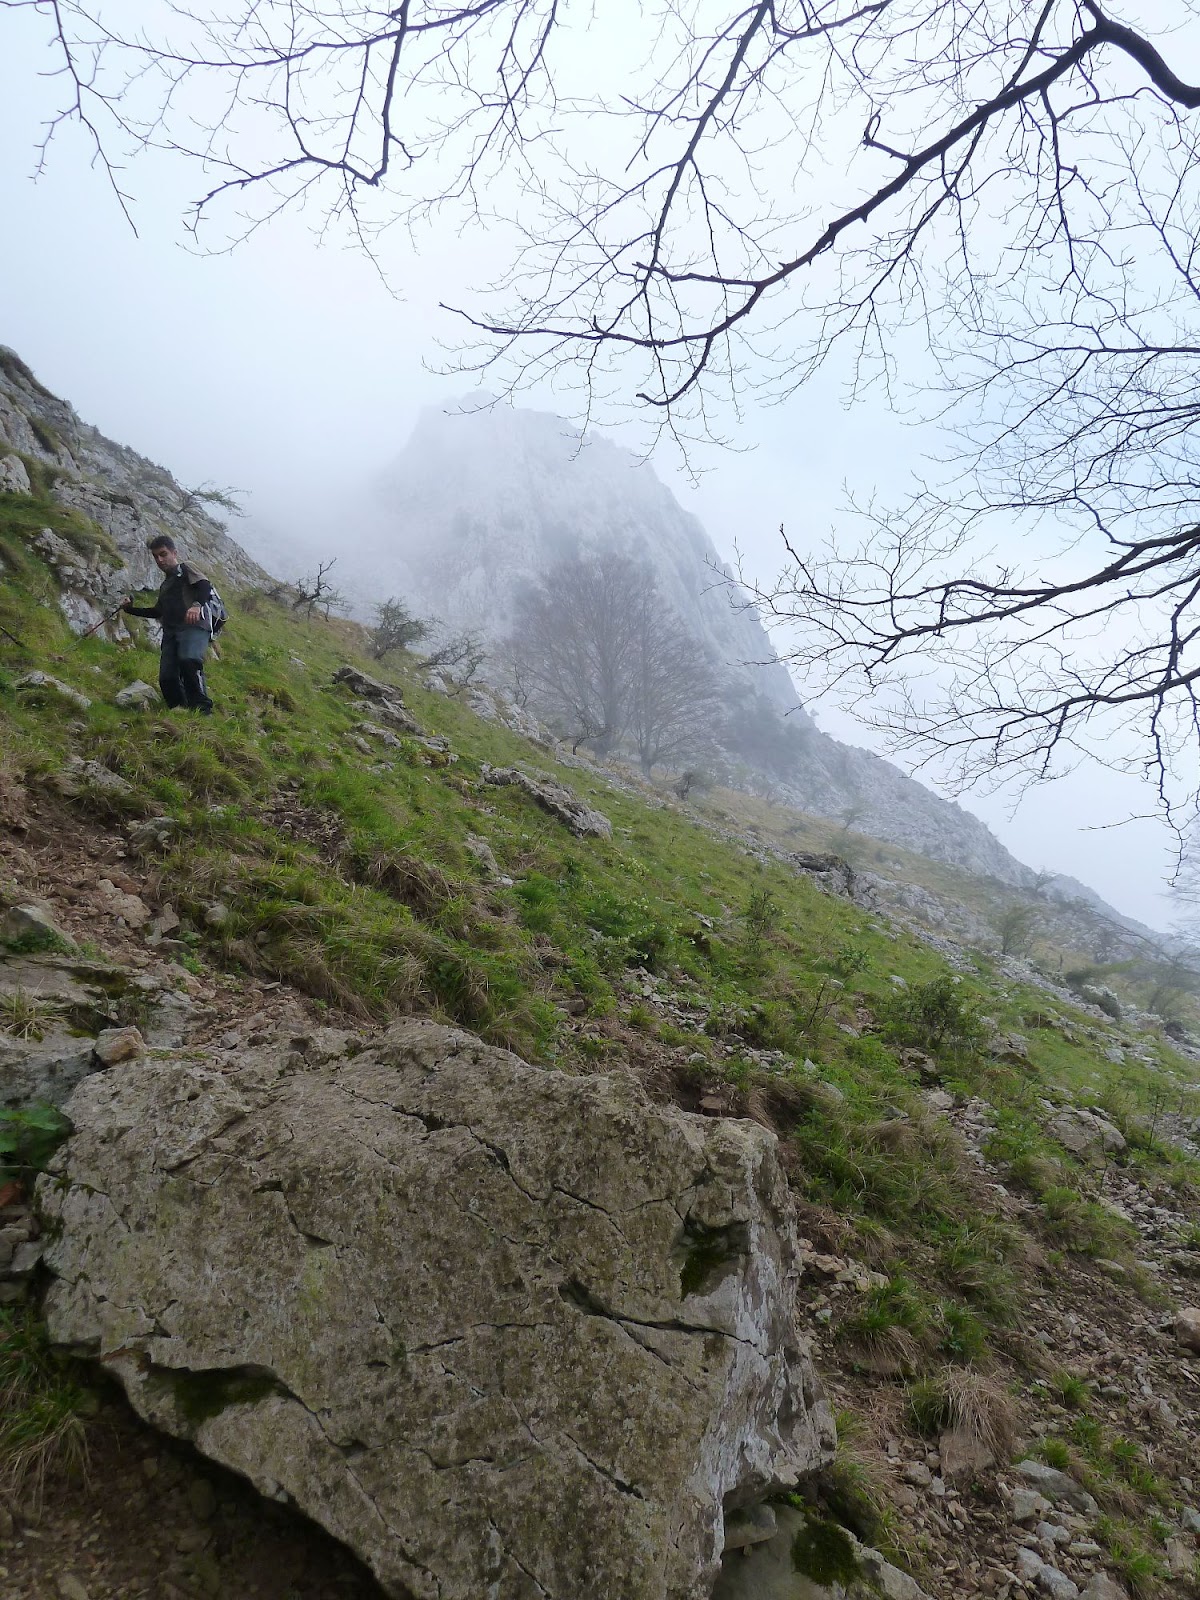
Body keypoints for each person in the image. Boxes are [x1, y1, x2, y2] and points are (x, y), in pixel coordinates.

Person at [122, 535, 216, 714]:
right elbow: (157, 612)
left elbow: (205, 586)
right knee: (167, 677)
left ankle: (203, 710)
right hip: (171, 632)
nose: (160, 560)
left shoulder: (186, 568)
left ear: (174, 553)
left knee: (189, 660)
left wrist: (196, 606)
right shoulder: (165, 585)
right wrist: (129, 610)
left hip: (194, 626)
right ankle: (179, 711)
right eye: (156, 556)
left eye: (163, 554)